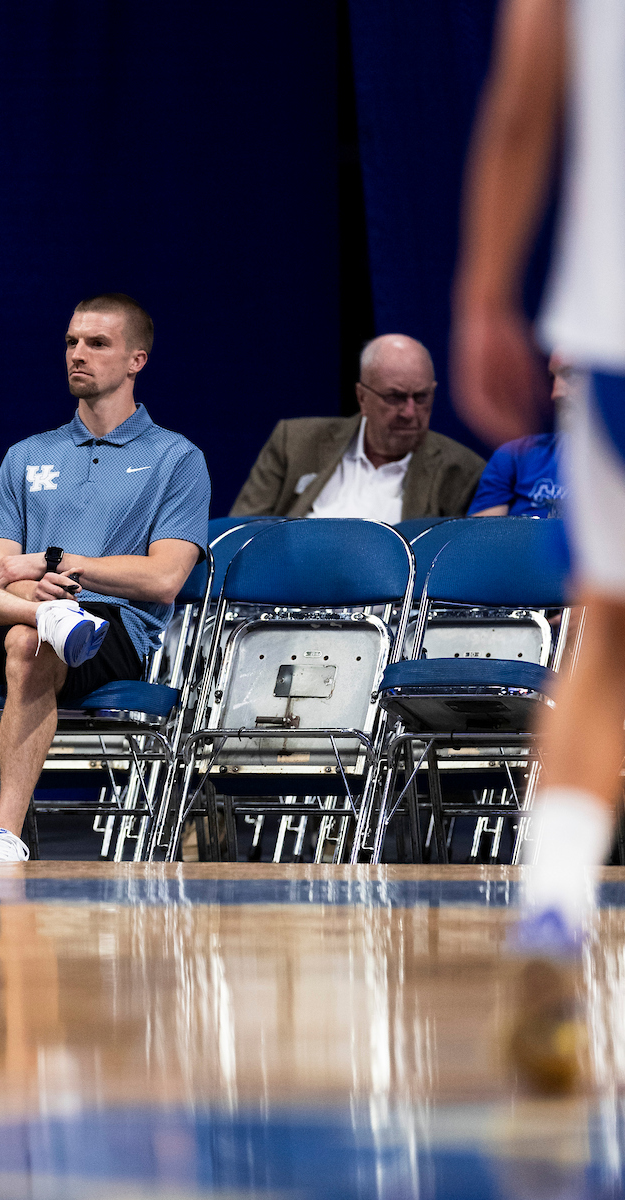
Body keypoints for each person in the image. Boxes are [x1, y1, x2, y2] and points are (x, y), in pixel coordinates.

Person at [0, 293, 210, 863]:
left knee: (31, 643)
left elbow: (163, 579)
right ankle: (46, 619)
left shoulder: (176, 458)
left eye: (97, 344)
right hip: (21, 610)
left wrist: (57, 565)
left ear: (137, 360)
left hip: (111, 629)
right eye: (71, 342)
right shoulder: (26, 455)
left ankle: (3, 833)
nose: (78, 354)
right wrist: (34, 594)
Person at [454, 0, 625, 1089]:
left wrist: (482, 295)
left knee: (607, 637)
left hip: (610, 319)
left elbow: (526, 90)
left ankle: (555, 914)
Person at [230, 334, 485, 522]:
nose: (410, 412)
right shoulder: (295, 442)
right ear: (362, 397)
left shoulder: (461, 470)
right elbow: (239, 531)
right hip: (289, 589)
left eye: (421, 397)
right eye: (395, 397)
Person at [468, 353, 569, 516]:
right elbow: (481, 537)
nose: (556, 393)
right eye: (552, 378)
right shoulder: (514, 457)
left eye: (570, 374)